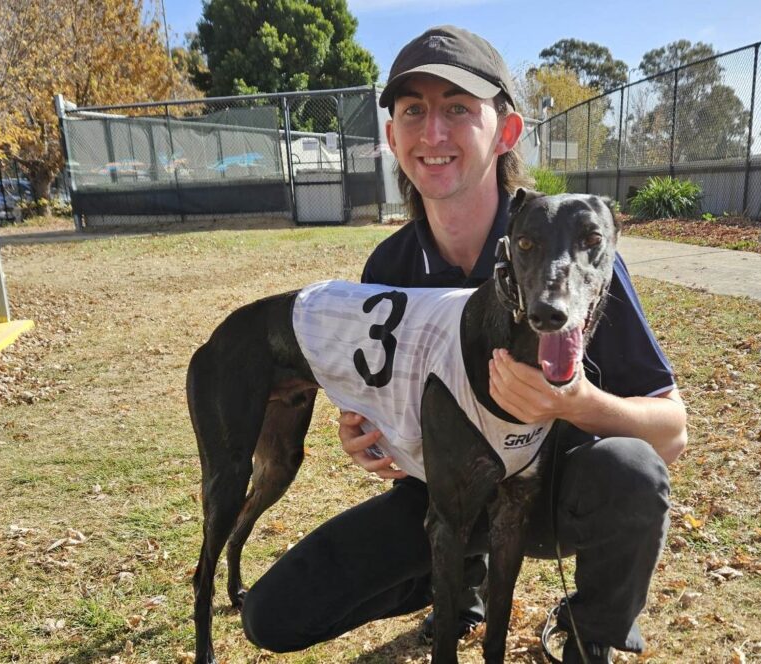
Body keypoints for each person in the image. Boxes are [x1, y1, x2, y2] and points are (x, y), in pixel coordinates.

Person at [240, 25, 687, 663]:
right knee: (274, 617)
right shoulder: (389, 267)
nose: (433, 133)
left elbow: (672, 432)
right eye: (413, 111)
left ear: (506, 131)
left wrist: (575, 401)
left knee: (632, 472)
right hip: (440, 497)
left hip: (548, 497)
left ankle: (590, 632)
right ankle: (452, 588)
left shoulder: (574, 254)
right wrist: (364, 430)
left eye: (458, 108)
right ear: (392, 136)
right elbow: (381, 400)